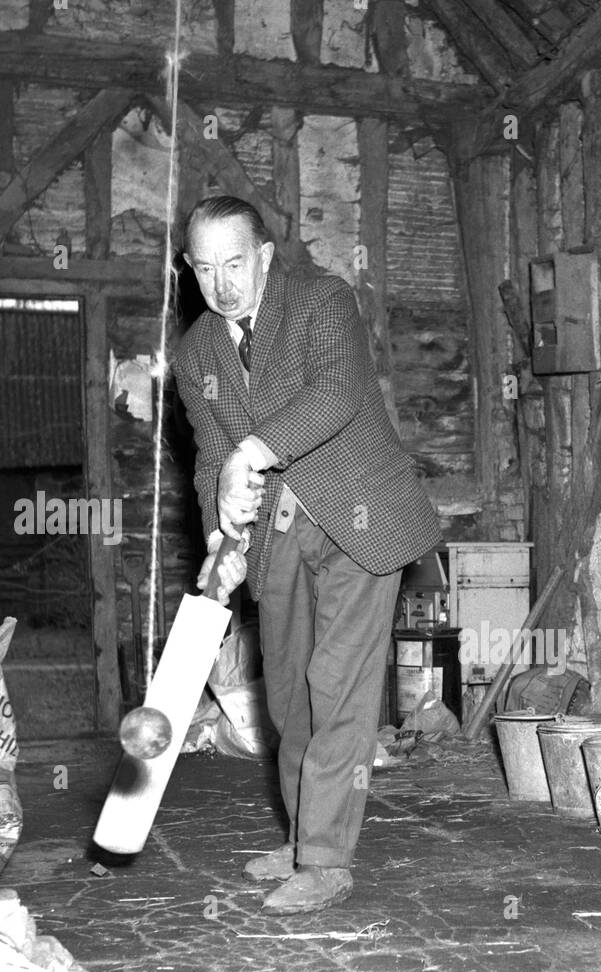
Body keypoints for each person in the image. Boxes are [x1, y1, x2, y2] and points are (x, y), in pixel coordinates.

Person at [174, 195, 441, 914]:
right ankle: (302, 836)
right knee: (288, 693)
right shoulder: (195, 350)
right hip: (277, 534)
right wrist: (218, 538)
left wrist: (249, 457)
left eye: (236, 263)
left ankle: (325, 860)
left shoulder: (323, 301)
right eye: (204, 269)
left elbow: (336, 394)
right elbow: (208, 458)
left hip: (360, 519)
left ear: (263, 255)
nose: (223, 284)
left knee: (337, 685)